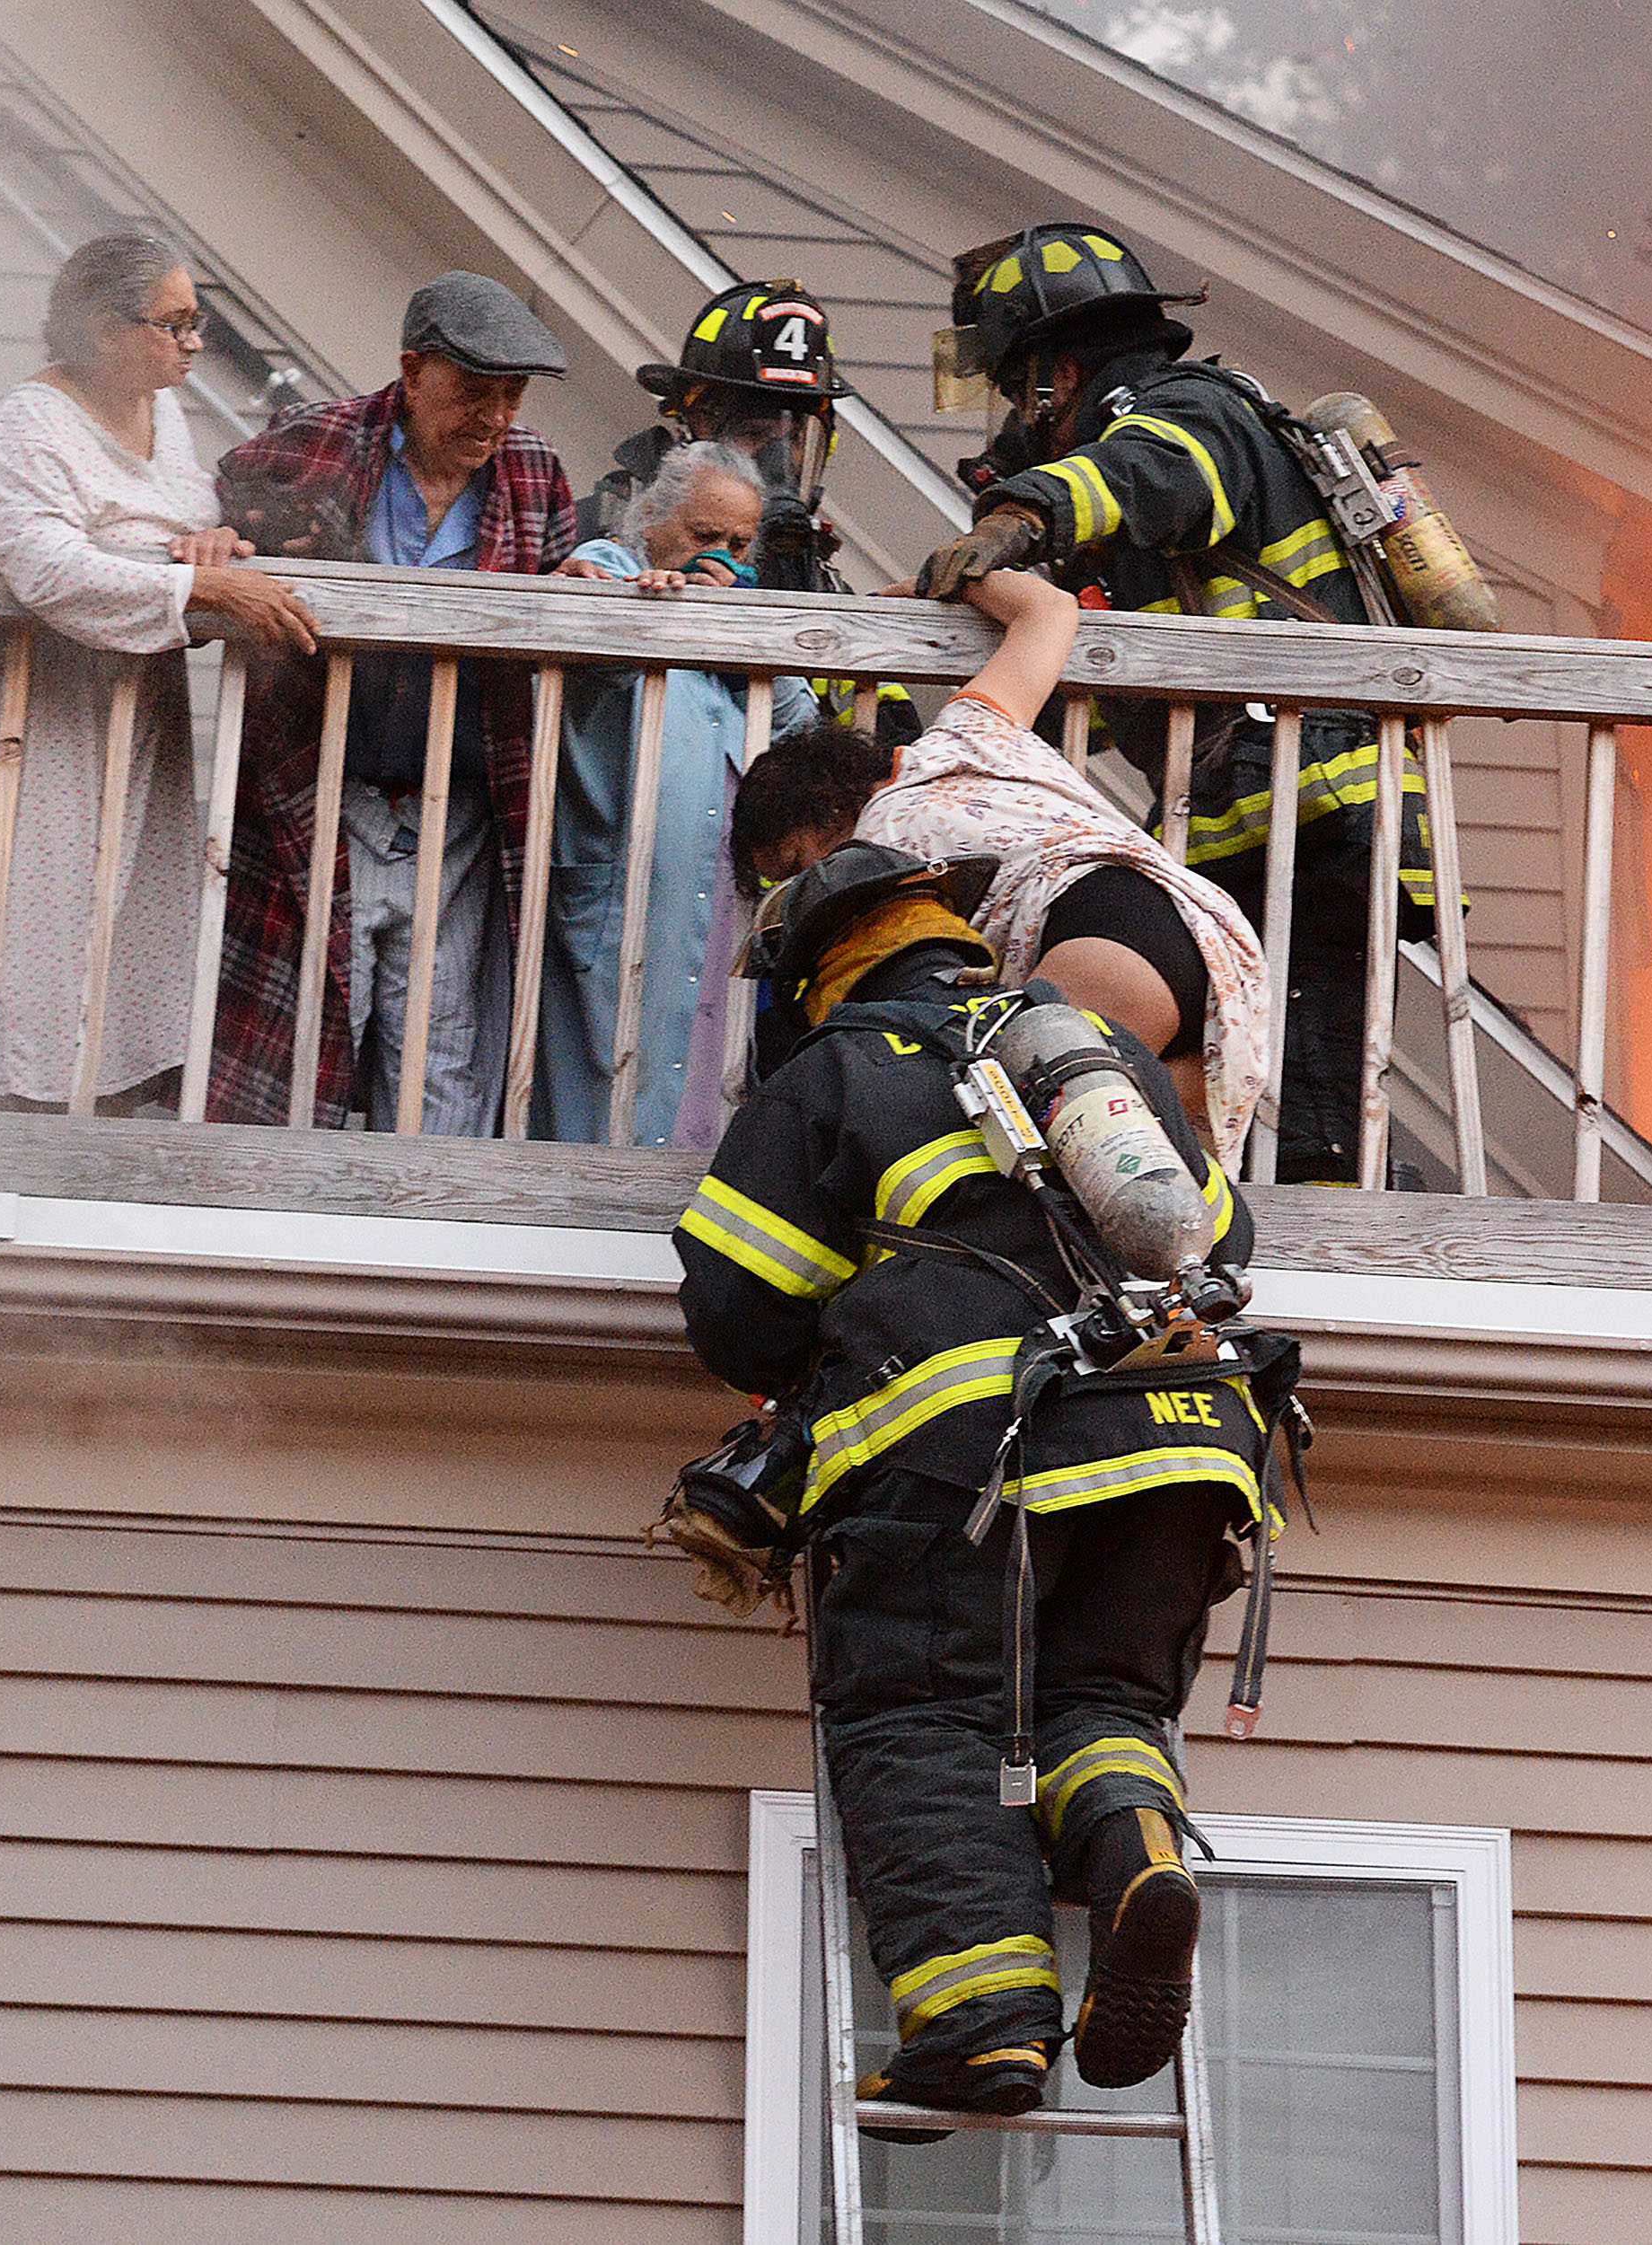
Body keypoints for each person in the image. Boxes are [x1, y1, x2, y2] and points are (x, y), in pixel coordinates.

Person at [672, 823, 1281, 2120]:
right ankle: (1138, 1856)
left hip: (971, 1460)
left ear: (812, 978)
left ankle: (982, 2027)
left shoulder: (835, 1071)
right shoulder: (1088, 1050)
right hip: (1183, 1437)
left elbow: (739, 1310)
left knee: (922, 1719)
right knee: (1100, 1698)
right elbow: (1218, 1237)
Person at [917, 222, 1438, 1181]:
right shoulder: (1134, 479)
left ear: (1059, 375)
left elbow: (1148, 475)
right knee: (1247, 1074)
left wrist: (1026, 513)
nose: (1017, 419)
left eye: (1019, 391)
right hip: (1243, 818)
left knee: (1306, 1103)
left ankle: (1328, 1233)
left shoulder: (1193, 413)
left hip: (1316, 810)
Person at [0, 233, 315, 1112]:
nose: (195, 343)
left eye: (196, 321)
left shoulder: (161, 414)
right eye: (174, 324)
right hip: (39, 723)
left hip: (136, 718)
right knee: (29, 935)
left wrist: (209, 541)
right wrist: (199, 585)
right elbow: (44, 565)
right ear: (105, 329)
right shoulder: (33, 420)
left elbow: (177, 516)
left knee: (123, 934)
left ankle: (96, 1131)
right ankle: (5, 1131)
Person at [730, 568, 1268, 1169]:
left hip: (1090, 933)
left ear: (821, 806)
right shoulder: (969, 730)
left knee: (997, 1155)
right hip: (1212, 950)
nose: (803, 890)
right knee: (1136, 1191)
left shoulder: (870, 857)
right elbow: (1049, 609)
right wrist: (941, 579)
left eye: (795, 865)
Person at [208, 271, 576, 1131]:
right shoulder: (318, 442)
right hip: (321, 789)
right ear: (412, 372)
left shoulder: (533, 474)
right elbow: (216, 510)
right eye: (474, 390)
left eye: (512, 395)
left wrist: (588, 581)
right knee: (300, 1034)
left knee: (440, 1050)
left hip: (459, 810)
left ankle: (425, 1212)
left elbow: (564, 584)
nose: (494, 416)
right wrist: (215, 542)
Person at [535, 444, 817, 1147]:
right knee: (602, 1098)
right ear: (650, 521)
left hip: (720, 899)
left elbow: (801, 729)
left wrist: (741, 633)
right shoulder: (614, 567)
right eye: (703, 535)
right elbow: (589, 649)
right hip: (621, 899)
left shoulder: (741, 613)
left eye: (739, 544)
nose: (721, 557)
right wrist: (653, 614)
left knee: (702, 1085)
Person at [581, 277, 920, 744]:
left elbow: (886, 739)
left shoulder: (815, 579)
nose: (777, 464)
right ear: (697, 424)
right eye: (756, 433)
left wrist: (859, 630)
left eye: (795, 437)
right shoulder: (600, 540)